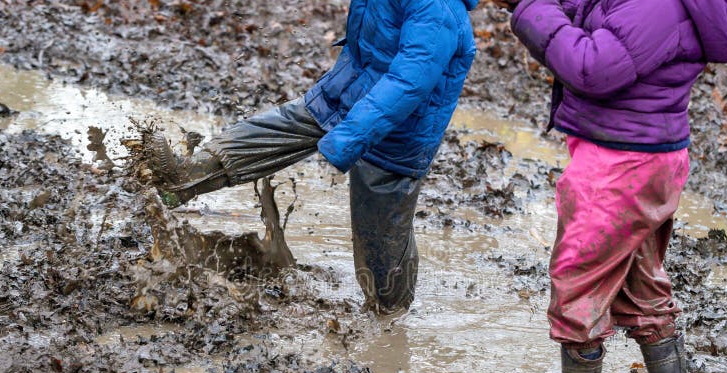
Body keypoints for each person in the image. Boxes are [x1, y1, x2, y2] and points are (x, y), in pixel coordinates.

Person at [145, 0, 478, 313]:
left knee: (381, 243)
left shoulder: (439, 9)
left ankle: (389, 319)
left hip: (397, 135)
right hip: (343, 93)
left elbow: (408, 83)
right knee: (272, 130)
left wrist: (349, 138)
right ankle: (185, 177)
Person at [510, 0, 727, 373]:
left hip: (623, 162)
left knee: (577, 275)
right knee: (639, 277)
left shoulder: (658, 6)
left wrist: (531, 10)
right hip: (639, 154)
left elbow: (591, 68)